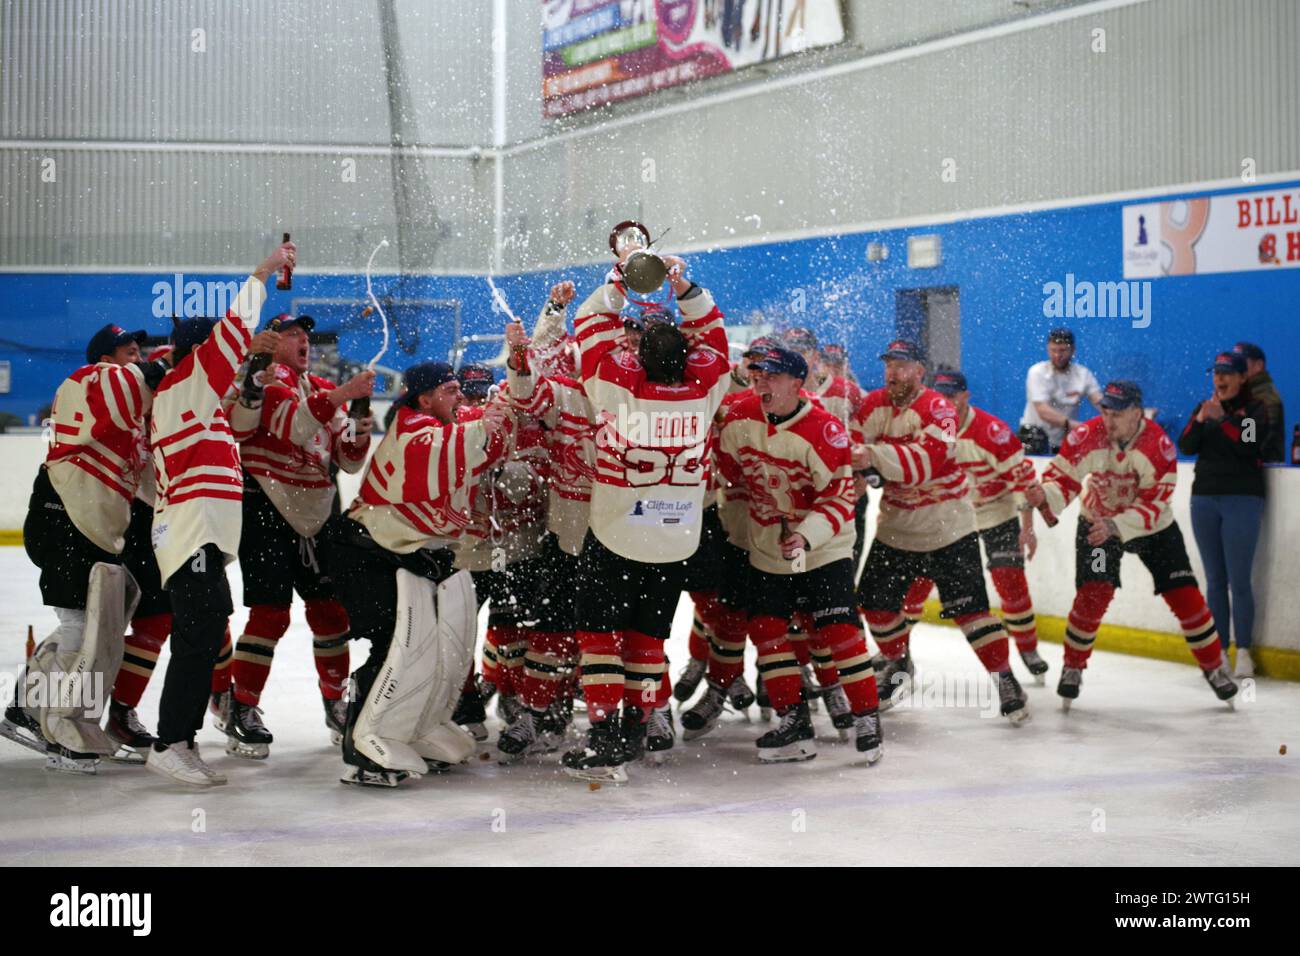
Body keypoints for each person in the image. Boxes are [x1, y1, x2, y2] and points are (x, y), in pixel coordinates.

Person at [560, 252, 731, 783]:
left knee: (599, 637)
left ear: (638, 360)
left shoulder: (618, 386)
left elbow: (591, 320)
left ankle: (604, 734)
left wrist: (624, 275)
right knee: (647, 640)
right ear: (688, 360)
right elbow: (715, 338)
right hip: (676, 538)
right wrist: (683, 286)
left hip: (617, 532)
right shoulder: (704, 392)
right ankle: (636, 727)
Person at [144, 240, 290, 786]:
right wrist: (263, 273)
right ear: (199, 352)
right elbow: (230, 335)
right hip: (191, 533)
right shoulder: (187, 382)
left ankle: (177, 739)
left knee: (203, 634)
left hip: (196, 534)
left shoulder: (194, 398)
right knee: (198, 636)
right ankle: (171, 742)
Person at [330, 362, 508, 787]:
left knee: (437, 650)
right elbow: (451, 446)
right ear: (424, 399)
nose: (459, 397)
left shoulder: (444, 424)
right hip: (368, 554)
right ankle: (363, 742)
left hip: (407, 555)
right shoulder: (414, 430)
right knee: (399, 648)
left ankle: (417, 726)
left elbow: (482, 441)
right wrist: (487, 421)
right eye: (450, 390)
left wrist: (503, 407)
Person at [4, 324, 166, 772]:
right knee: (81, 629)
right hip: (65, 515)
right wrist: (168, 365)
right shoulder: (89, 380)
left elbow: (149, 483)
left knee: (86, 627)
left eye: (139, 352)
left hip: (90, 524)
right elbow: (126, 383)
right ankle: (60, 728)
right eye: (129, 351)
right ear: (105, 359)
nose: (138, 357)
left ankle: (28, 709)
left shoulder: (128, 417)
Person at [712, 345, 882, 763]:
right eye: (756, 375)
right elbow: (728, 469)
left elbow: (840, 497)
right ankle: (794, 722)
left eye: (771, 376)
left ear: (797, 383)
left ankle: (867, 717)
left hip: (824, 547)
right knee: (767, 630)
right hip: (767, 544)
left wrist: (806, 535)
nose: (760, 383)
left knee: (837, 630)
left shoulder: (824, 429)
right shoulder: (739, 415)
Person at [1025, 380, 1239, 709]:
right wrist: (1045, 495)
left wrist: (1118, 524)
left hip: (1152, 529)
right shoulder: (1087, 436)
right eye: (1105, 412)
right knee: (1094, 593)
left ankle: (1214, 667)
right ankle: (1073, 667)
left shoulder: (1159, 446)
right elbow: (1062, 479)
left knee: (1185, 596)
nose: (1108, 421)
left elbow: (1155, 504)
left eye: (1117, 414)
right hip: (1097, 525)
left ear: (1137, 413)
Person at [221, 313, 375, 758]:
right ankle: (242, 707)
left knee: (331, 613)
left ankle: (335, 703)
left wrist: (358, 428)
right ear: (273, 344)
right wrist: (344, 395)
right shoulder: (269, 381)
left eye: (306, 335)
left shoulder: (321, 388)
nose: (304, 341)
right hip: (266, 504)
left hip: (318, 509)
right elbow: (294, 426)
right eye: (292, 335)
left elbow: (348, 461)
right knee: (271, 614)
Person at [853, 340, 1029, 723]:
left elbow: (929, 463)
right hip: (896, 529)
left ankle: (1005, 679)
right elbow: (851, 447)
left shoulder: (942, 410)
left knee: (972, 613)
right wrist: (854, 473)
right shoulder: (870, 406)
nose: (893, 373)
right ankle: (898, 663)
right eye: (889, 365)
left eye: (902, 366)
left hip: (949, 529)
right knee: (874, 604)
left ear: (920, 371)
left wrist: (872, 457)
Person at [892, 368, 1049, 681]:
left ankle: (1028, 649)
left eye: (952, 396)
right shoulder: (922, 425)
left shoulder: (991, 431)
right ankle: (896, 655)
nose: (946, 403)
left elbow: (1023, 480)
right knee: (916, 585)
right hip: (948, 516)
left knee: (1009, 580)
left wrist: (1027, 527)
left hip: (995, 512)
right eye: (940, 396)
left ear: (966, 396)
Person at [1178, 352, 1269, 678]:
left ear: (1242, 377)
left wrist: (1222, 420)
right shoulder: (1205, 407)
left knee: (1239, 580)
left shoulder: (1255, 409)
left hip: (1242, 498)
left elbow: (1248, 445)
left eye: (1227, 373)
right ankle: (1218, 651)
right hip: (1204, 498)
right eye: (1216, 372)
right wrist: (1202, 419)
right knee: (1215, 580)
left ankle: (1243, 650)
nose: (1220, 378)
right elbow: (1186, 446)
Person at [1019, 328, 1103, 453]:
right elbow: (1043, 410)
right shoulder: (1037, 372)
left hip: (1063, 439)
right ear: (1048, 349)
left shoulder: (1083, 374)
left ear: (1073, 350)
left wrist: (1114, 416)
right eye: (1053, 350)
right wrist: (1078, 427)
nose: (1057, 356)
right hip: (1032, 436)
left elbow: (1100, 402)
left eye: (1063, 350)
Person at [1231, 342, 1285, 463]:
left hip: (1262, 469)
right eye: (1234, 361)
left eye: (1241, 361)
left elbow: (1263, 439)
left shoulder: (1266, 398)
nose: (1235, 366)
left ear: (1259, 365)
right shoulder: (1242, 394)